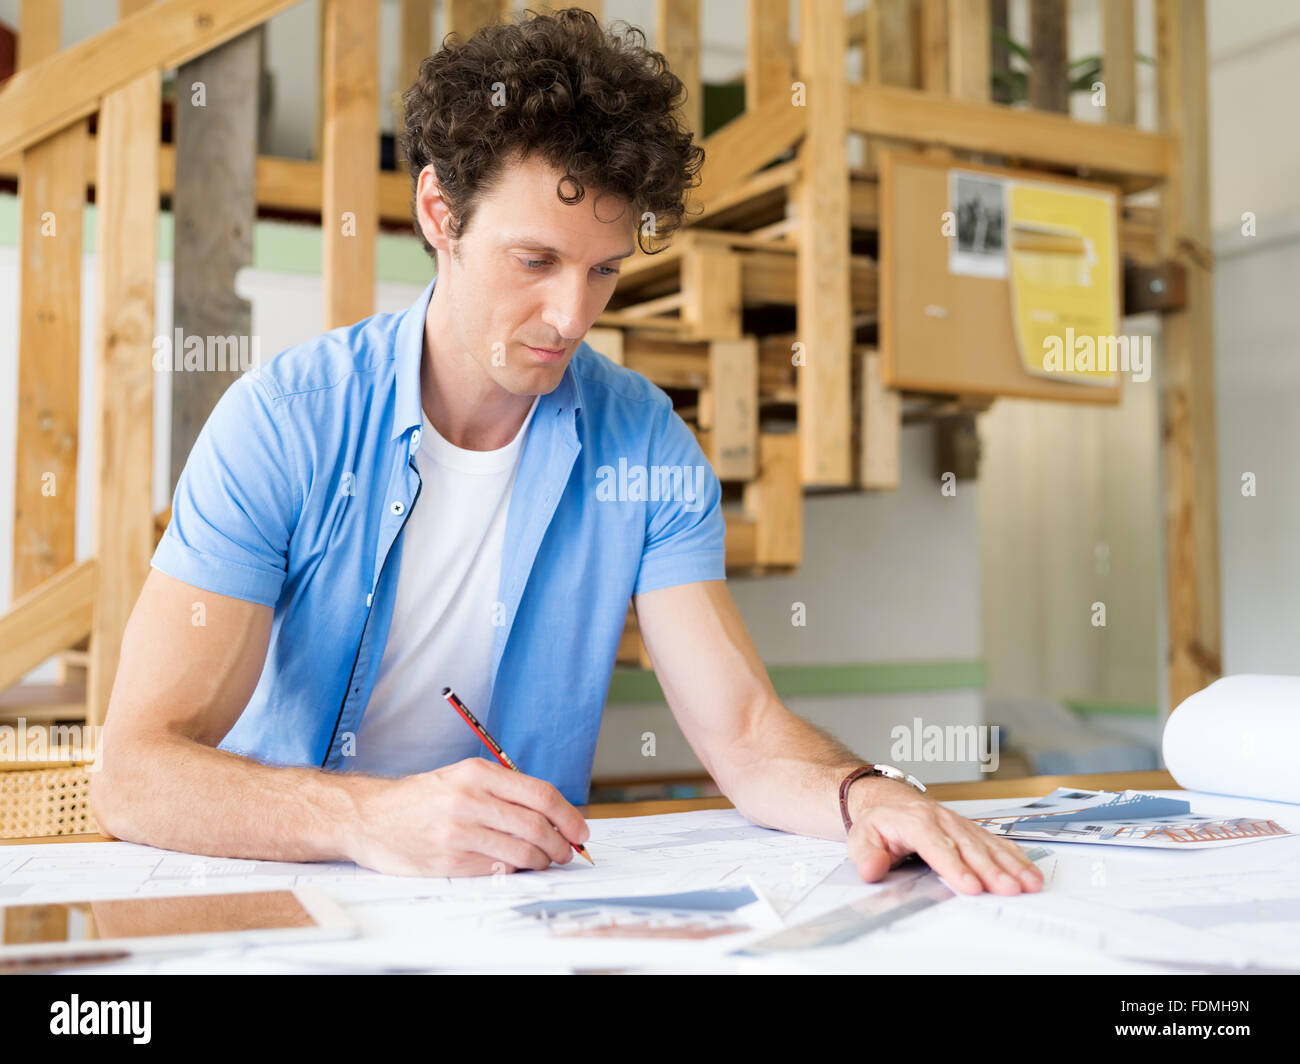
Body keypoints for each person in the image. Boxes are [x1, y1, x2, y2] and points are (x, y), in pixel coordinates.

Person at [91, 7, 1040, 897]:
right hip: (291, 898)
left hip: (520, 911)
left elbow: (745, 737)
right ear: (439, 214)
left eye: (604, 272)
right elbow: (134, 776)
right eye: (535, 261)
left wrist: (867, 793)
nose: (572, 316)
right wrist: (371, 818)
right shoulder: (284, 424)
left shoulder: (646, 445)